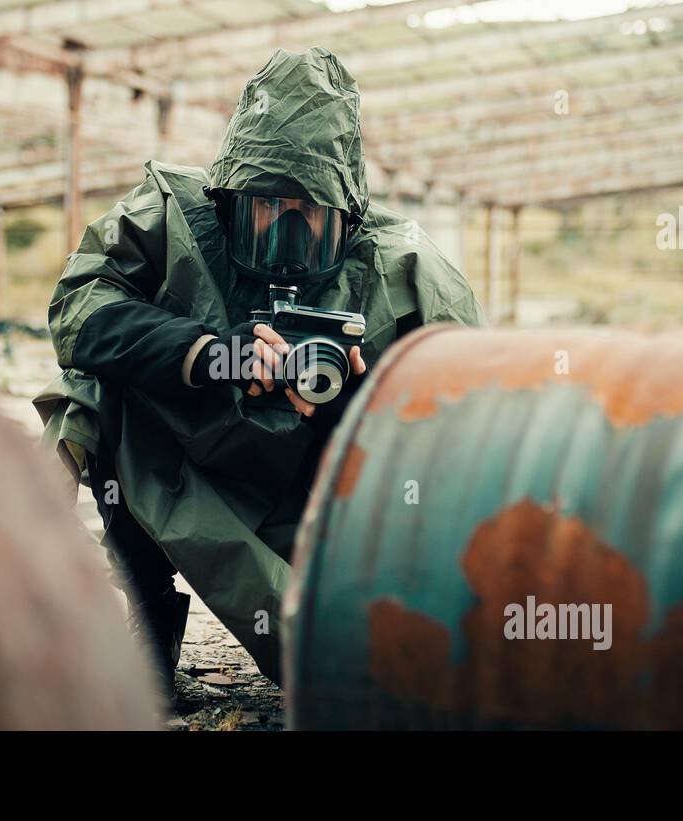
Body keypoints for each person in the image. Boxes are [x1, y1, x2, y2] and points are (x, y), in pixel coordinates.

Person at [35, 47, 484, 692]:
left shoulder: (404, 272)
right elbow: (79, 310)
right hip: (182, 456)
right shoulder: (169, 218)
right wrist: (206, 353)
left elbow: (469, 432)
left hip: (311, 499)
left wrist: (359, 403)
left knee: (362, 675)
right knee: (88, 385)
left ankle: (358, 622)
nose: (286, 234)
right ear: (227, 198)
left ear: (349, 216)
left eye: (310, 215)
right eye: (266, 208)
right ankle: (145, 607)